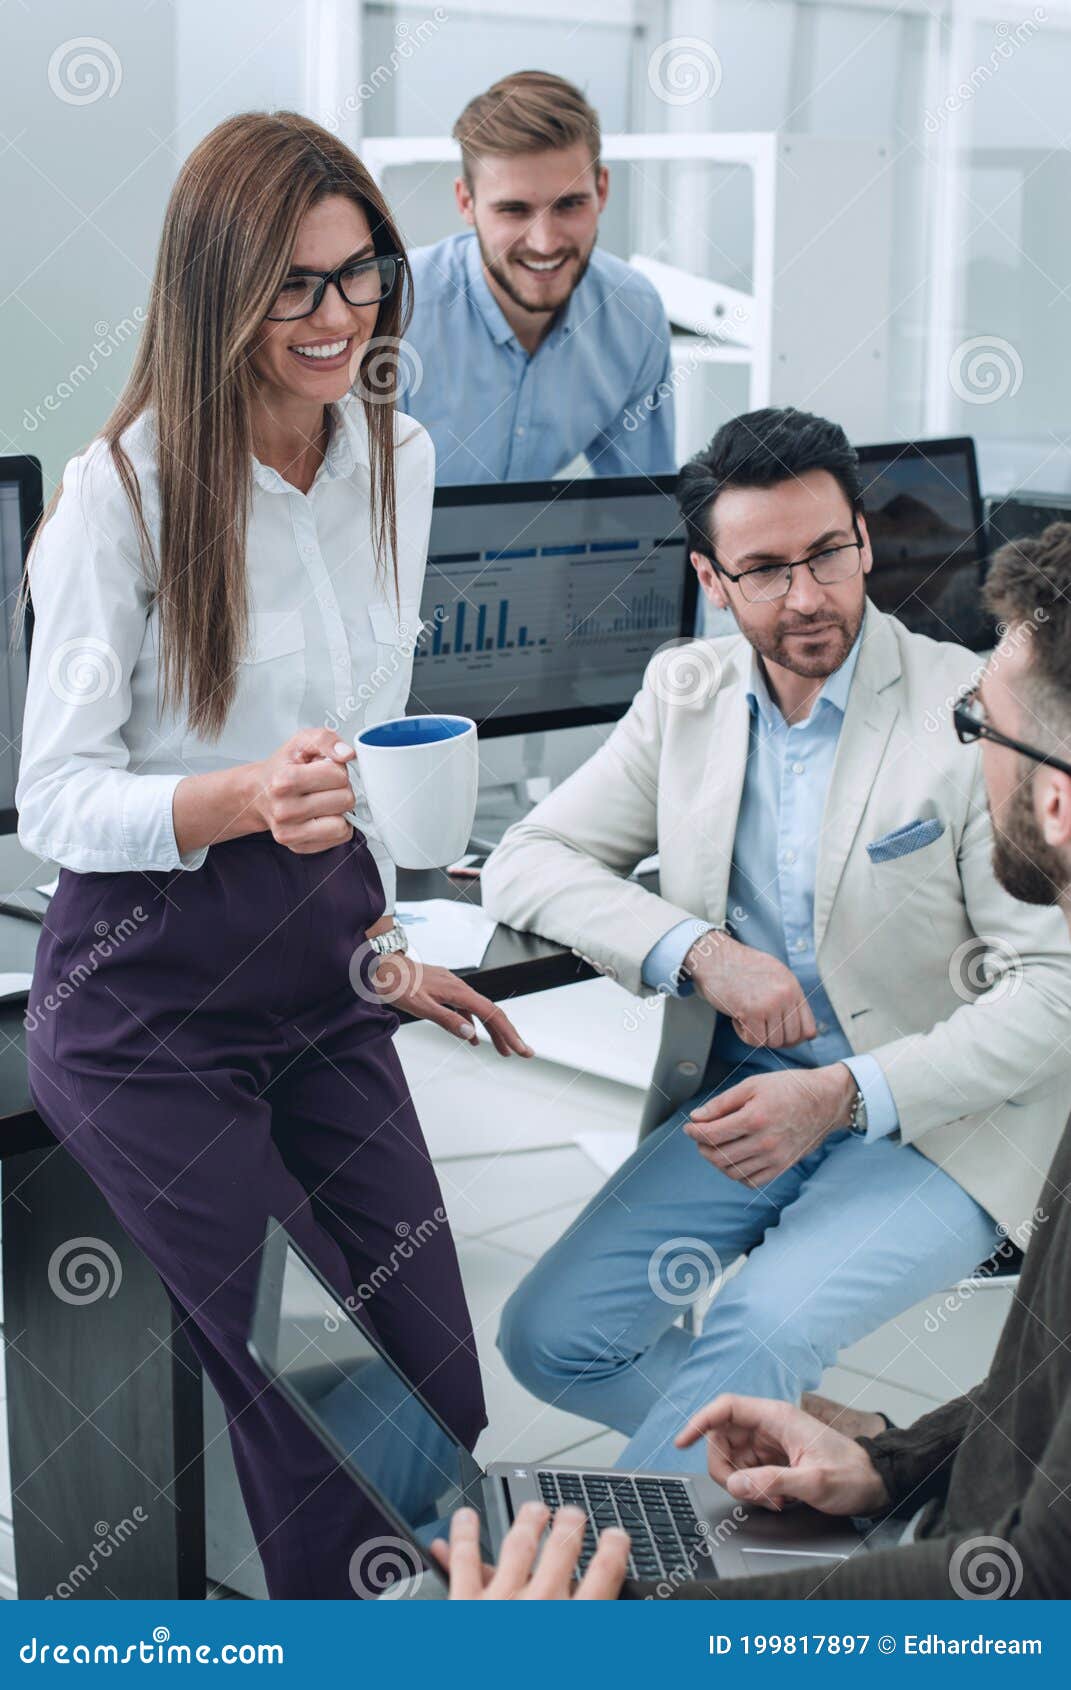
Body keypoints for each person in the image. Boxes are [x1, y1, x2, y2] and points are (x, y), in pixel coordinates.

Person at [14, 109, 532, 1602]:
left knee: (431, 1366)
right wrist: (240, 800)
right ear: (217, 288)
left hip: (322, 974)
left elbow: (353, 752)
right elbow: (54, 798)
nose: (335, 317)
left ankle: (420, 1615)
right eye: (294, 284)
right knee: (318, 1408)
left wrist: (377, 946)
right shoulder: (125, 492)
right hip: (145, 1013)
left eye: (359, 274)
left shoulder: (399, 451)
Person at [434, 519, 1071, 1599]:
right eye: (766, 568)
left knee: (759, 1329)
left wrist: (629, 1627)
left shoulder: (960, 692)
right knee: (552, 1336)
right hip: (758, 1106)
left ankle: (667, 1557)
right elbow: (532, 855)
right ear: (712, 580)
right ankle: (759, 1517)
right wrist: (885, 1462)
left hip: (927, 1117)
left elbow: (1028, 1591)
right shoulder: (689, 692)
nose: (807, 592)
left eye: (828, 553)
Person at [398, 70, 675, 484]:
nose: (544, 243)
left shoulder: (634, 314)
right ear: (466, 202)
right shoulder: (397, 312)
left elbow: (643, 505)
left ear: (602, 191)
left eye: (569, 206)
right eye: (514, 210)